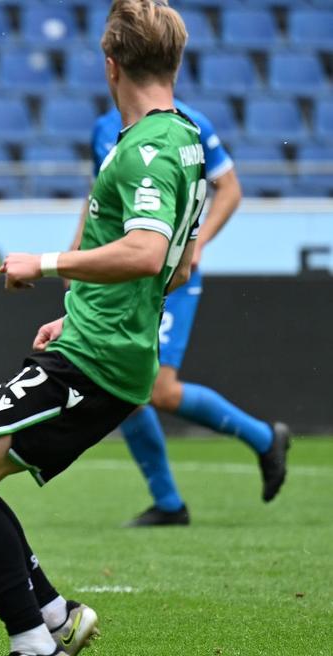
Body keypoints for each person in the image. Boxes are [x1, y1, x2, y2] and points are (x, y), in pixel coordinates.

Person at [0, 0, 207, 656]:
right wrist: (76, 310)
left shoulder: (143, 149)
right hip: (95, 344)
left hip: (97, 361)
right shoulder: (187, 141)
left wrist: (45, 264)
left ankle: (34, 649)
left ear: (110, 64)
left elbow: (145, 253)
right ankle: (55, 614)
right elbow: (182, 266)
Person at [82, 103, 289, 526]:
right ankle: (169, 503)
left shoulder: (189, 124)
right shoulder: (104, 129)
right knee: (123, 385)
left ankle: (264, 439)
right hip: (124, 274)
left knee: (158, 388)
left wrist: (195, 247)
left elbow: (229, 189)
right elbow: (97, 202)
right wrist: (78, 260)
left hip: (170, 274)